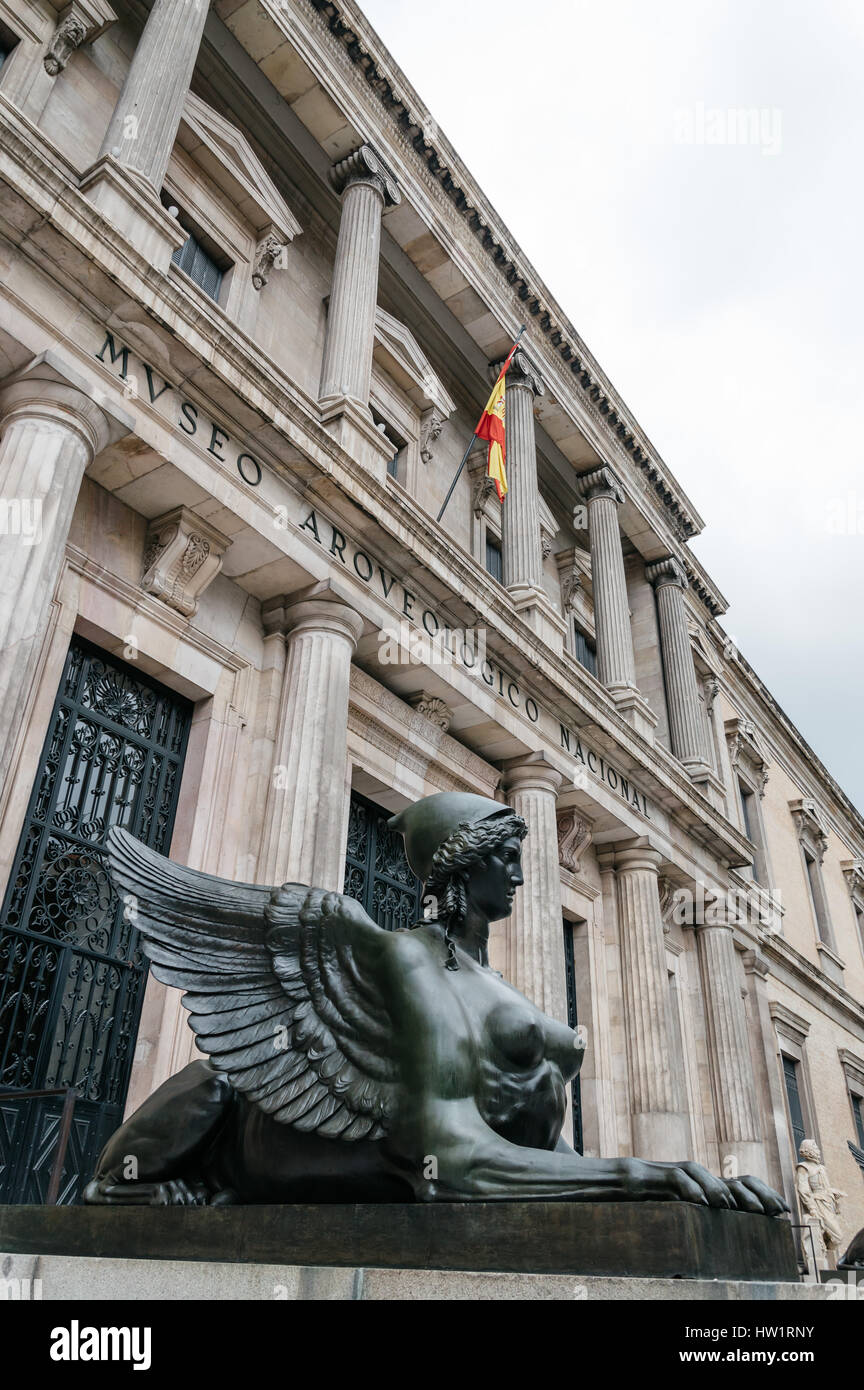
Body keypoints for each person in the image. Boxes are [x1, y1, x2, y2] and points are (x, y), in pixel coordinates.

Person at [84, 792, 787, 1214]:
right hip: (285, 1153)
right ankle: (121, 1184)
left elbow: (536, 1149)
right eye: (504, 856)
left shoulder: (495, 986)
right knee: (217, 1082)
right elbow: (446, 1160)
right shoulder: (405, 959)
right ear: (459, 864)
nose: (519, 874)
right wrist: (647, 1177)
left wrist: (674, 1188)